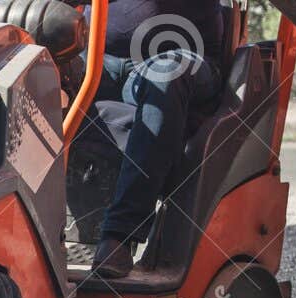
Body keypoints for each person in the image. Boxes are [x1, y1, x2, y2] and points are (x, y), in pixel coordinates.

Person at [90, 0, 224, 277]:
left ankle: (120, 235)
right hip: (99, 58)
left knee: (164, 72)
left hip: (179, 58)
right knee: (34, 62)